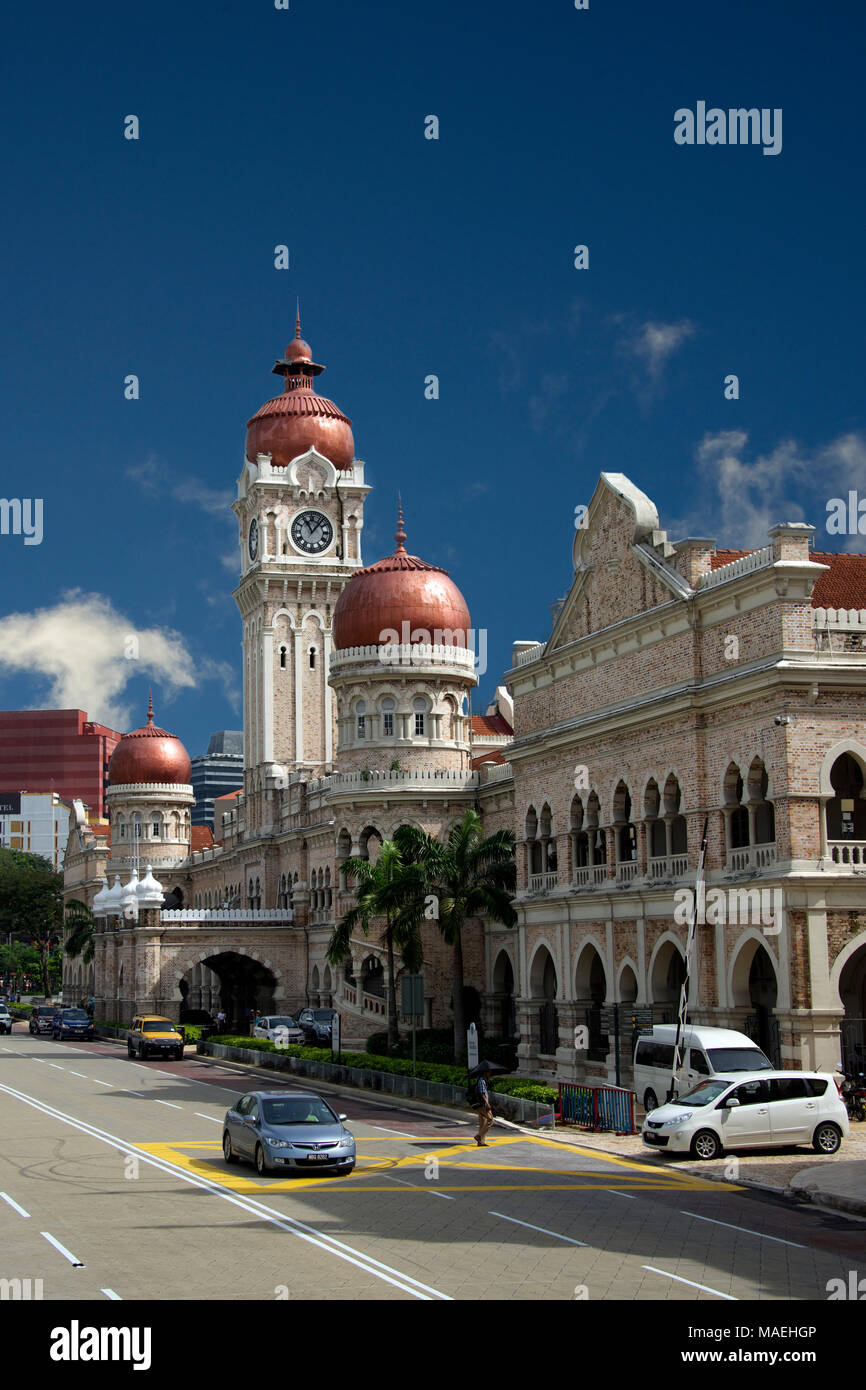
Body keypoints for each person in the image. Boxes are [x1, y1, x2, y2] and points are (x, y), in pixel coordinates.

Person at [474, 1068, 494, 1147]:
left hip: (480, 1104)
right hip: (483, 1105)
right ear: (485, 1072)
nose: (490, 1073)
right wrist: (487, 1103)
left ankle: (481, 1142)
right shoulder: (482, 1080)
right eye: (489, 1072)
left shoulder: (482, 1080)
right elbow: (482, 1093)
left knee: (483, 1122)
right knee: (490, 1120)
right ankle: (478, 1136)